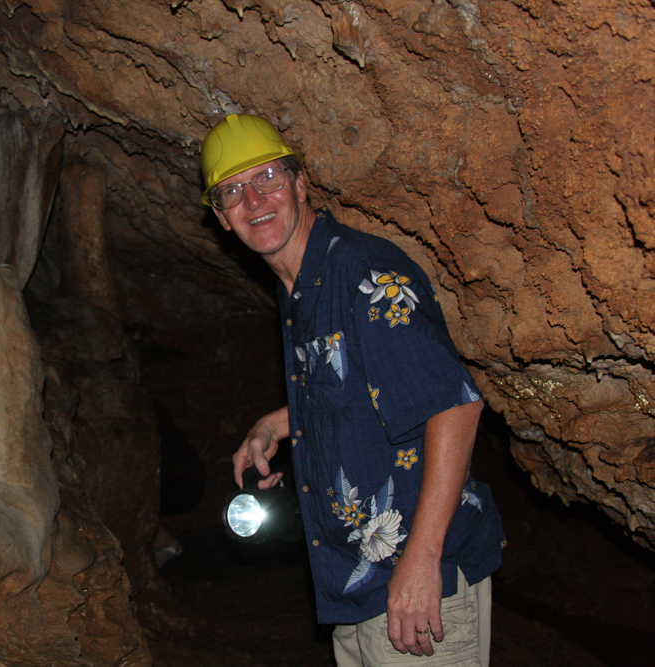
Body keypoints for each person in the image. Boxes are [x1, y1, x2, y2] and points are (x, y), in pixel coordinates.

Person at [202, 114, 505, 666]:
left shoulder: (363, 273)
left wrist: (420, 563)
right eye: (233, 191)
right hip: (356, 585)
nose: (253, 199)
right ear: (222, 217)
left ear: (300, 184)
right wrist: (274, 425)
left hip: (417, 584)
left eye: (267, 177)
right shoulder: (298, 289)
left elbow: (455, 405)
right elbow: (352, 379)